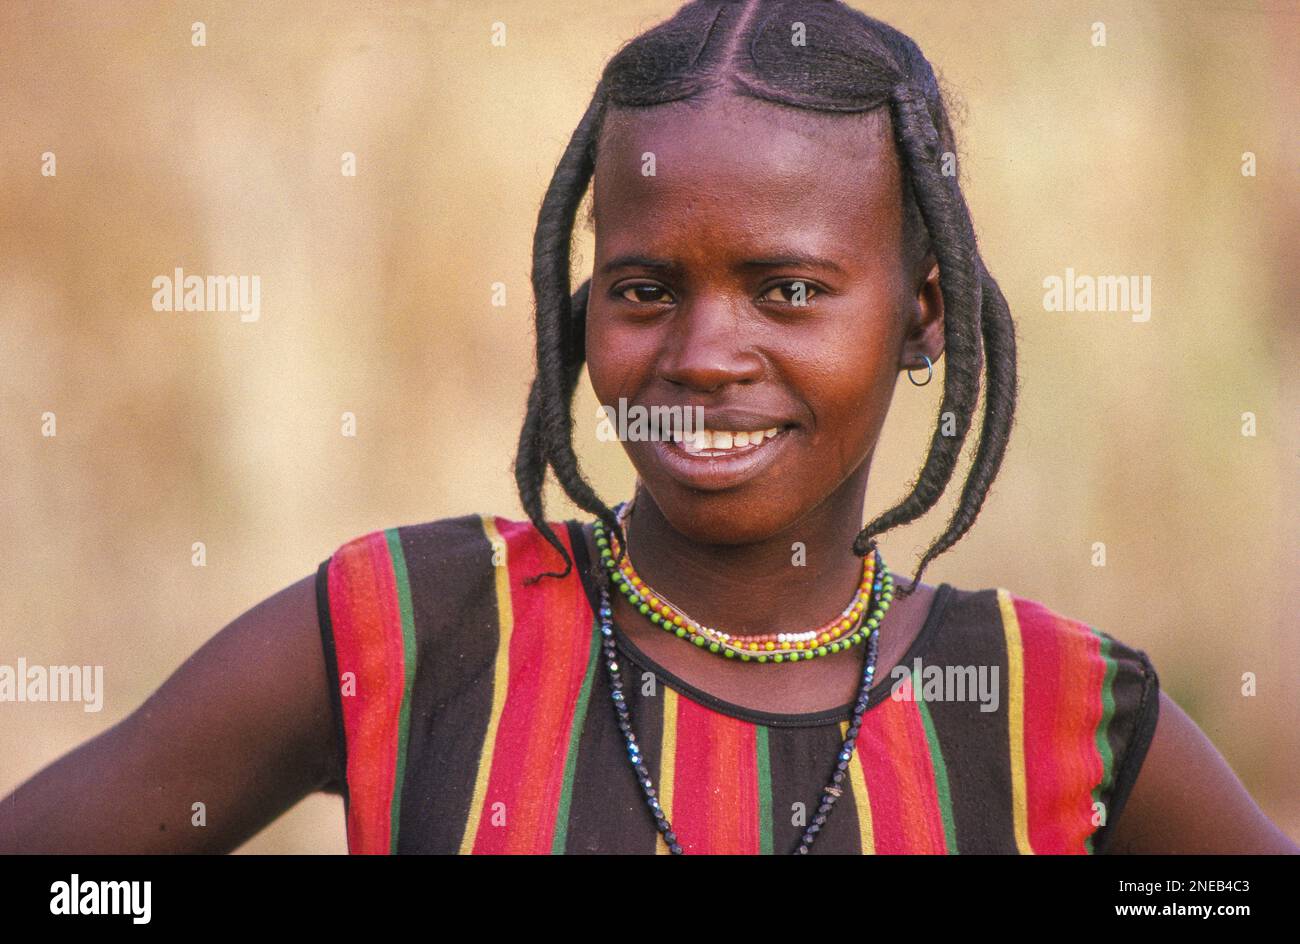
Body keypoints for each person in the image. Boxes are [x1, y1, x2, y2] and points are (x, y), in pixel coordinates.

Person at [2, 0, 1294, 855]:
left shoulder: (1047, 708)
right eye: (644, 290)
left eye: (787, 290)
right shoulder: (420, 630)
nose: (702, 355)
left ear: (923, 316)